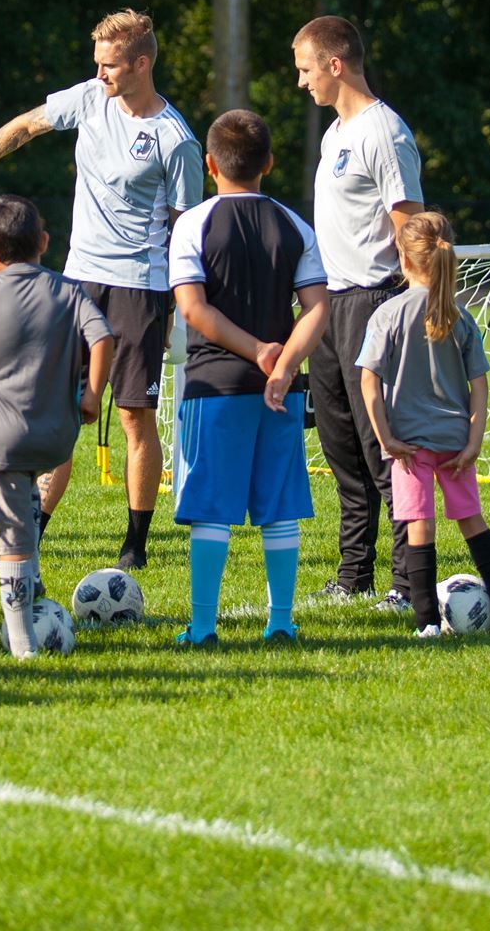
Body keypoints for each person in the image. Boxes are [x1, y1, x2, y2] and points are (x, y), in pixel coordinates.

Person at [0, 10, 203, 571]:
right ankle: (34, 527)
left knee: (134, 418)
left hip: (139, 289)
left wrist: (179, 304)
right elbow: (23, 127)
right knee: (54, 405)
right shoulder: (89, 98)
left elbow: (186, 233)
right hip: (78, 279)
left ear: (141, 64)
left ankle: (135, 543)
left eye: (109, 66)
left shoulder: (175, 140)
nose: (99, 74)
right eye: (97, 64)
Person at [166, 110, 330, 646]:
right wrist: (282, 366)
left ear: (209, 164)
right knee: (279, 507)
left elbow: (192, 310)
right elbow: (317, 309)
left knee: (212, 508)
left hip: (214, 387)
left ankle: (203, 628)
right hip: (279, 393)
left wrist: (258, 350)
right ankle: (280, 622)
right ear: (269, 163)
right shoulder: (293, 224)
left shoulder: (193, 223)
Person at [0, 195, 114, 656]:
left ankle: (22, 642)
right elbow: (103, 337)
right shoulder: (69, 290)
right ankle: (33, 594)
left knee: (12, 531)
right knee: (30, 506)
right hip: (56, 436)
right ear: (44, 242)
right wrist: (91, 397)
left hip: (3, 442)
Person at [293, 14, 424, 611]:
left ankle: (406, 581)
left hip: (374, 303)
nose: (302, 83)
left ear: (335, 65)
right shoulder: (334, 134)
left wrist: (412, 307)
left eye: (305, 69)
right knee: (340, 447)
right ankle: (354, 574)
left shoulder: (384, 132)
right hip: (331, 305)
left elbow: (409, 228)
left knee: (382, 448)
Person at [357, 211, 490, 636]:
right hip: (456, 443)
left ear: (403, 256)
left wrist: (386, 439)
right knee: (473, 522)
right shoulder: (460, 316)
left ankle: (427, 625)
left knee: (421, 526)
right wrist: (473, 441)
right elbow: (480, 385)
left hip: (409, 447)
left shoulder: (388, 314)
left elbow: (368, 383)